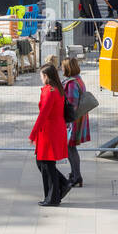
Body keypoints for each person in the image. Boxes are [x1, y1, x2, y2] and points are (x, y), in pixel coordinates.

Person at [30, 64, 71, 206]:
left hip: (49, 132)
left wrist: (33, 133)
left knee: (46, 164)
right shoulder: (57, 89)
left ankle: (53, 196)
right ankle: (60, 188)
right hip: (55, 129)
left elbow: (43, 115)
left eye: (41, 75)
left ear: (46, 76)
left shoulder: (50, 91)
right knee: (46, 164)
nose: (41, 78)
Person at [62, 57, 90, 188]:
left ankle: (76, 176)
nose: (61, 68)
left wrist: (66, 121)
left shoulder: (72, 83)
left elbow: (72, 104)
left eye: (63, 66)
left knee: (70, 148)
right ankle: (74, 174)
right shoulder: (78, 79)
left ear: (68, 68)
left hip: (73, 120)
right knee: (71, 148)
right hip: (78, 118)